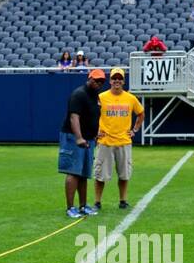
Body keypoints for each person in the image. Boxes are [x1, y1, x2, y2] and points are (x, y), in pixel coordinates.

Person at [94, 67, 143, 211]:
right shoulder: (101, 97)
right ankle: (97, 202)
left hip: (123, 142)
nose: (117, 80)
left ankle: (123, 200)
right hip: (105, 142)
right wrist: (96, 131)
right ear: (110, 81)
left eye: (119, 78)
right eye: (114, 78)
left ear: (123, 81)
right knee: (100, 175)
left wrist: (135, 130)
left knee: (124, 174)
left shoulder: (130, 98)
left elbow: (141, 113)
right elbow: (92, 114)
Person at [60, 68, 104, 217]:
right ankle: (70, 208)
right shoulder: (79, 94)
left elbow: (94, 117)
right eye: (95, 80)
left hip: (88, 138)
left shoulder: (95, 96)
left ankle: (83, 206)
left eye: (101, 81)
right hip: (74, 137)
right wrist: (79, 137)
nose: (97, 83)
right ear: (89, 78)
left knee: (84, 173)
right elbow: (74, 117)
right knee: (73, 171)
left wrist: (96, 134)